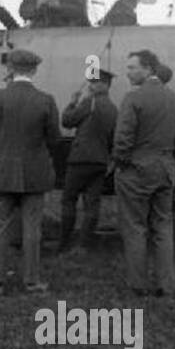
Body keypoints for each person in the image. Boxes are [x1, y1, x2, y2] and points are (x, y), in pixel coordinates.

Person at [111, 49, 175, 297]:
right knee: (163, 226)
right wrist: (171, 161)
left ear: (148, 69)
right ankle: (166, 285)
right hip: (166, 170)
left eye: (132, 68)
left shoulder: (133, 99)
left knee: (135, 226)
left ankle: (138, 284)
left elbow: (122, 139)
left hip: (136, 170)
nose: (128, 73)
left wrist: (122, 162)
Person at [0, 48, 60, 294]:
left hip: (2, 171)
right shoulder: (46, 100)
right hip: (35, 171)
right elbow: (54, 140)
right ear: (34, 70)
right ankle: (32, 280)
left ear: (10, 69)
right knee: (32, 229)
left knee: (0, 228)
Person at [58, 69, 118, 253]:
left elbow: (67, 121)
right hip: (100, 162)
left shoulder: (88, 103)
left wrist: (72, 102)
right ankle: (84, 244)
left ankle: (64, 243)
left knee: (69, 200)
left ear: (104, 85)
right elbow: (114, 139)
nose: (91, 85)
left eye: (94, 82)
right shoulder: (114, 108)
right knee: (92, 204)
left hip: (80, 160)